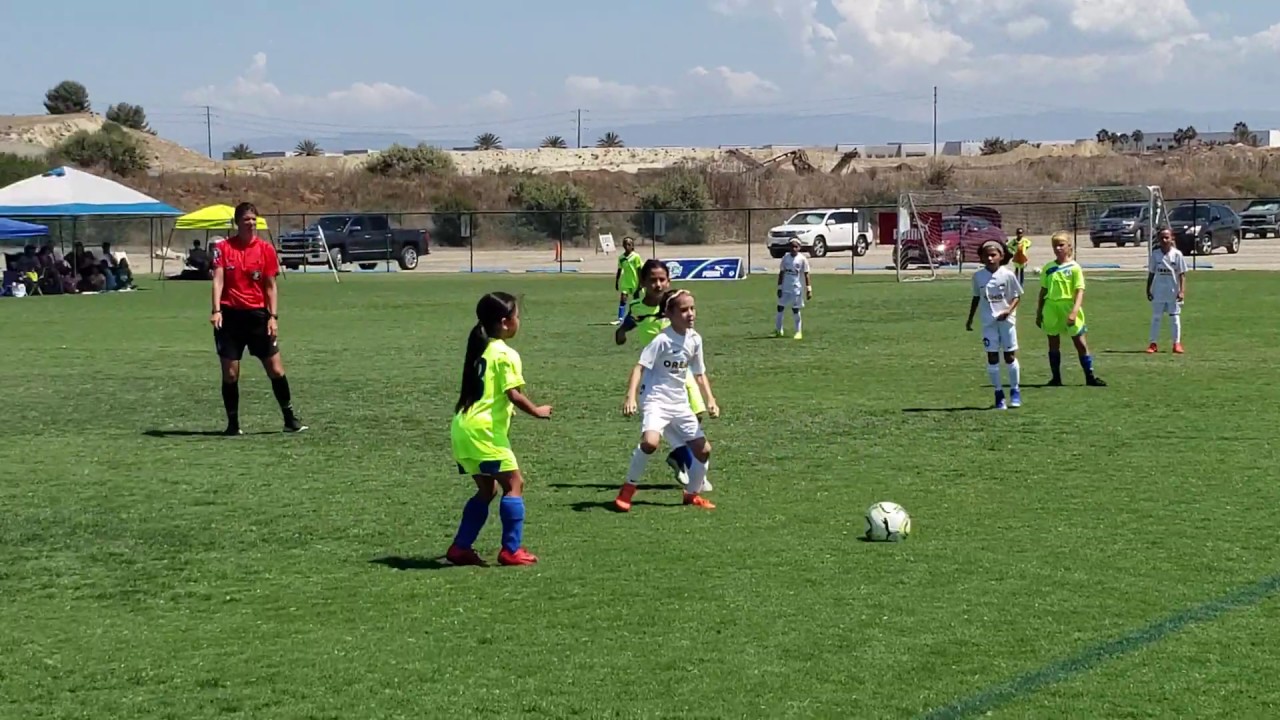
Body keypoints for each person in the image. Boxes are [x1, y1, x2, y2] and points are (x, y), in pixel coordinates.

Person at [446, 292, 551, 567]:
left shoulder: (479, 347)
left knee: (487, 489)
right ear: (505, 323)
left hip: (463, 427)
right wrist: (537, 410)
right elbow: (513, 394)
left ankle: (460, 548)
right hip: (485, 432)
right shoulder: (505, 353)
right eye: (517, 317)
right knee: (514, 484)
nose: (519, 322)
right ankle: (510, 550)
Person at [616, 288, 719, 513]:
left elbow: (699, 373)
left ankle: (691, 495)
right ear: (669, 314)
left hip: (679, 403)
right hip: (655, 399)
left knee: (704, 451)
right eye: (683, 310)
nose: (690, 314)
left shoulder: (695, 339)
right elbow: (639, 367)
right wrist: (630, 396)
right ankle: (627, 489)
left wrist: (710, 399)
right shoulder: (662, 340)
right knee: (650, 443)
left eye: (692, 308)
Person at [211, 201, 307, 435]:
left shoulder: (266, 250)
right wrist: (216, 310)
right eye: (246, 219)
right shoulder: (224, 248)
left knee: (275, 369)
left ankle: (289, 418)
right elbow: (218, 280)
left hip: (258, 316)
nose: (251, 223)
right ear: (237, 223)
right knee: (230, 373)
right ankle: (233, 424)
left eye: (254, 219)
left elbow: (271, 287)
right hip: (230, 317)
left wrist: (273, 317)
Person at [1035, 232, 1106, 387]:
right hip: (1051, 307)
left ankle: (1090, 376)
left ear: (1069, 247)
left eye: (1061, 245)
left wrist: (1074, 311)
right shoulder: (1048, 268)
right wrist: (1039, 311)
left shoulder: (1075, 268)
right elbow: (1043, 291)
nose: (1058, 248)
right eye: (1055, 246)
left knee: (1080, 343)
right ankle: (1056, 378)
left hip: (1069, 306)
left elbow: (1080, 290)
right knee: (1053, 342)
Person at [966, 241, 1024, 409]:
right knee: (992, 357)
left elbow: (1017, 296)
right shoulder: (978, 277)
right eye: (986, 256)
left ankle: (1015, 391)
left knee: (1009, 356)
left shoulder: (1007, 275)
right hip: (988, 322)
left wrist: (1008, 311)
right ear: (981, 258)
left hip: (1007, 322)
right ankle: (999, 394)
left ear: (1001, 256)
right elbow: (976, 297)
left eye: (993, 255)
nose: (990, 258)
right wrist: (970, 319)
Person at [1146, 228, 1187, 354]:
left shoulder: (1177, 255)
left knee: (1174, 317)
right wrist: (1148, 289)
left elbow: (1182, 274)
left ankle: (1176, 344)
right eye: (1162, 237)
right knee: (1156, 318)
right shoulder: (1155, 255)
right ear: (1158, 239)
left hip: (1172, 292)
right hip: (1158, 291)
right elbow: (1151, 273)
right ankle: (1153, 344)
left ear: (1171, 238)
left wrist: (1181, 291)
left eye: (1167, 237)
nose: (1164, 240)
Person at [775, 238, 811, 339]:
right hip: (785, 288)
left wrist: (808, 289)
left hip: (796, 288)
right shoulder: (785, 258)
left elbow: (806, 274)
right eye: (792, 246)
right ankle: (779, 330)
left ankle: (798, 332)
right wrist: (779, 287)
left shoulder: (802, 259)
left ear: (799, 247)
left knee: (795, 309)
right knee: (780, 308)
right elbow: (781, 273)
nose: (793, 248)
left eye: (796, 246)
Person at [614, 236, 644, 324]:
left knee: (636, 300)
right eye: (625, 244)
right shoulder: (621, 258)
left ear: (632, 246)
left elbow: (639, 270)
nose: (626, 246)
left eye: (628, 244)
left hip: (635, 281)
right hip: (626, 282)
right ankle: (620, 318)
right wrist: (616, 281)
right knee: (623, 299)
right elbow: (619, 270)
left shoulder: (636, 256)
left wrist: (641, 282)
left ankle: (637, 316)